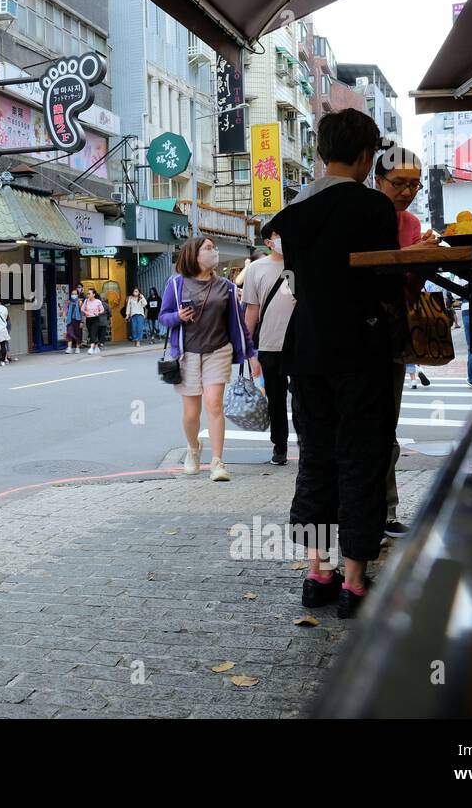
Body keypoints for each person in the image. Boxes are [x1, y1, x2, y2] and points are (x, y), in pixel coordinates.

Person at [267, 108, 402, 619]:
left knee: (317, 456)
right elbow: (386, 284)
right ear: (366, 156)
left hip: (306, 348)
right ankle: (354, 581)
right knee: (362, 455)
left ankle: (316, 570)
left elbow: (300, 279)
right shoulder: (373, 208)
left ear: (322, 152)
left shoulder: (294, 211)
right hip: (359, 345)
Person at [374, 146, 440, 537]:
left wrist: (421, 261)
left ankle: (385, 512)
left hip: (395, 330)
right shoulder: (365, 216)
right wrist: (408, 255)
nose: (407, 191)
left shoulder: (411, 222)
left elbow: (409, 289)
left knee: (387, 427)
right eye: (399, 183)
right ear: (377, 180)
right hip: (357, 331)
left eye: (414, 184)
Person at [159, 236, 253, 481]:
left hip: (218, 351)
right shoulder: (176, 284)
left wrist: (251, 354)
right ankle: (193, 449)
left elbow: (238, 324)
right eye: (208, 248)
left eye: (214, 248)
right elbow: (163, 317)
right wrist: (178, 316)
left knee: (214, 405)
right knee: (191, 413)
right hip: (187, 354)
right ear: (194, 254)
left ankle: (218, 462)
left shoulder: (227, 287)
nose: (214, 252)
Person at [243, 229, 296, 466]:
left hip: (300, 342)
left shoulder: (299, 262)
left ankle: (307, 444)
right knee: (275, 398)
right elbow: (252, 309)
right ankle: (280, 446)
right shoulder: (256, 268)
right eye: (277, 235)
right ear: (267, 242)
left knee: (304, 397)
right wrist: (247, 347)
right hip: (269, 343)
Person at [81, 287, 104, 355]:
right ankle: (96, 347)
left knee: (93, 332)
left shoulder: (98, 301)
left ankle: (91, 348)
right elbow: (82, 309)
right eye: (87, 294)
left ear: (94, 294)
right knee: (91, 333)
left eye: (89, 293)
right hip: (88, 318)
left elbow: (102, 310)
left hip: (95, 319)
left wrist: (98, 313)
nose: (88, 295)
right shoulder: (86, 301)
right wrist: (86, 312)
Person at [64, 287, 84, 353]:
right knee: (69, 333)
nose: (73, 295)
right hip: (70, 320)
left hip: (78, 320)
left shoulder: (80, 302)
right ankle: (69, 348)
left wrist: (82, 321)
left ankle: (77, 348)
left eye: (75, 294)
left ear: (77, 295)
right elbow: (65, 310)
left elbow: (82, 312)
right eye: (72, 294)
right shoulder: (68, 302)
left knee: (77, 334)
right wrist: (65, 312)